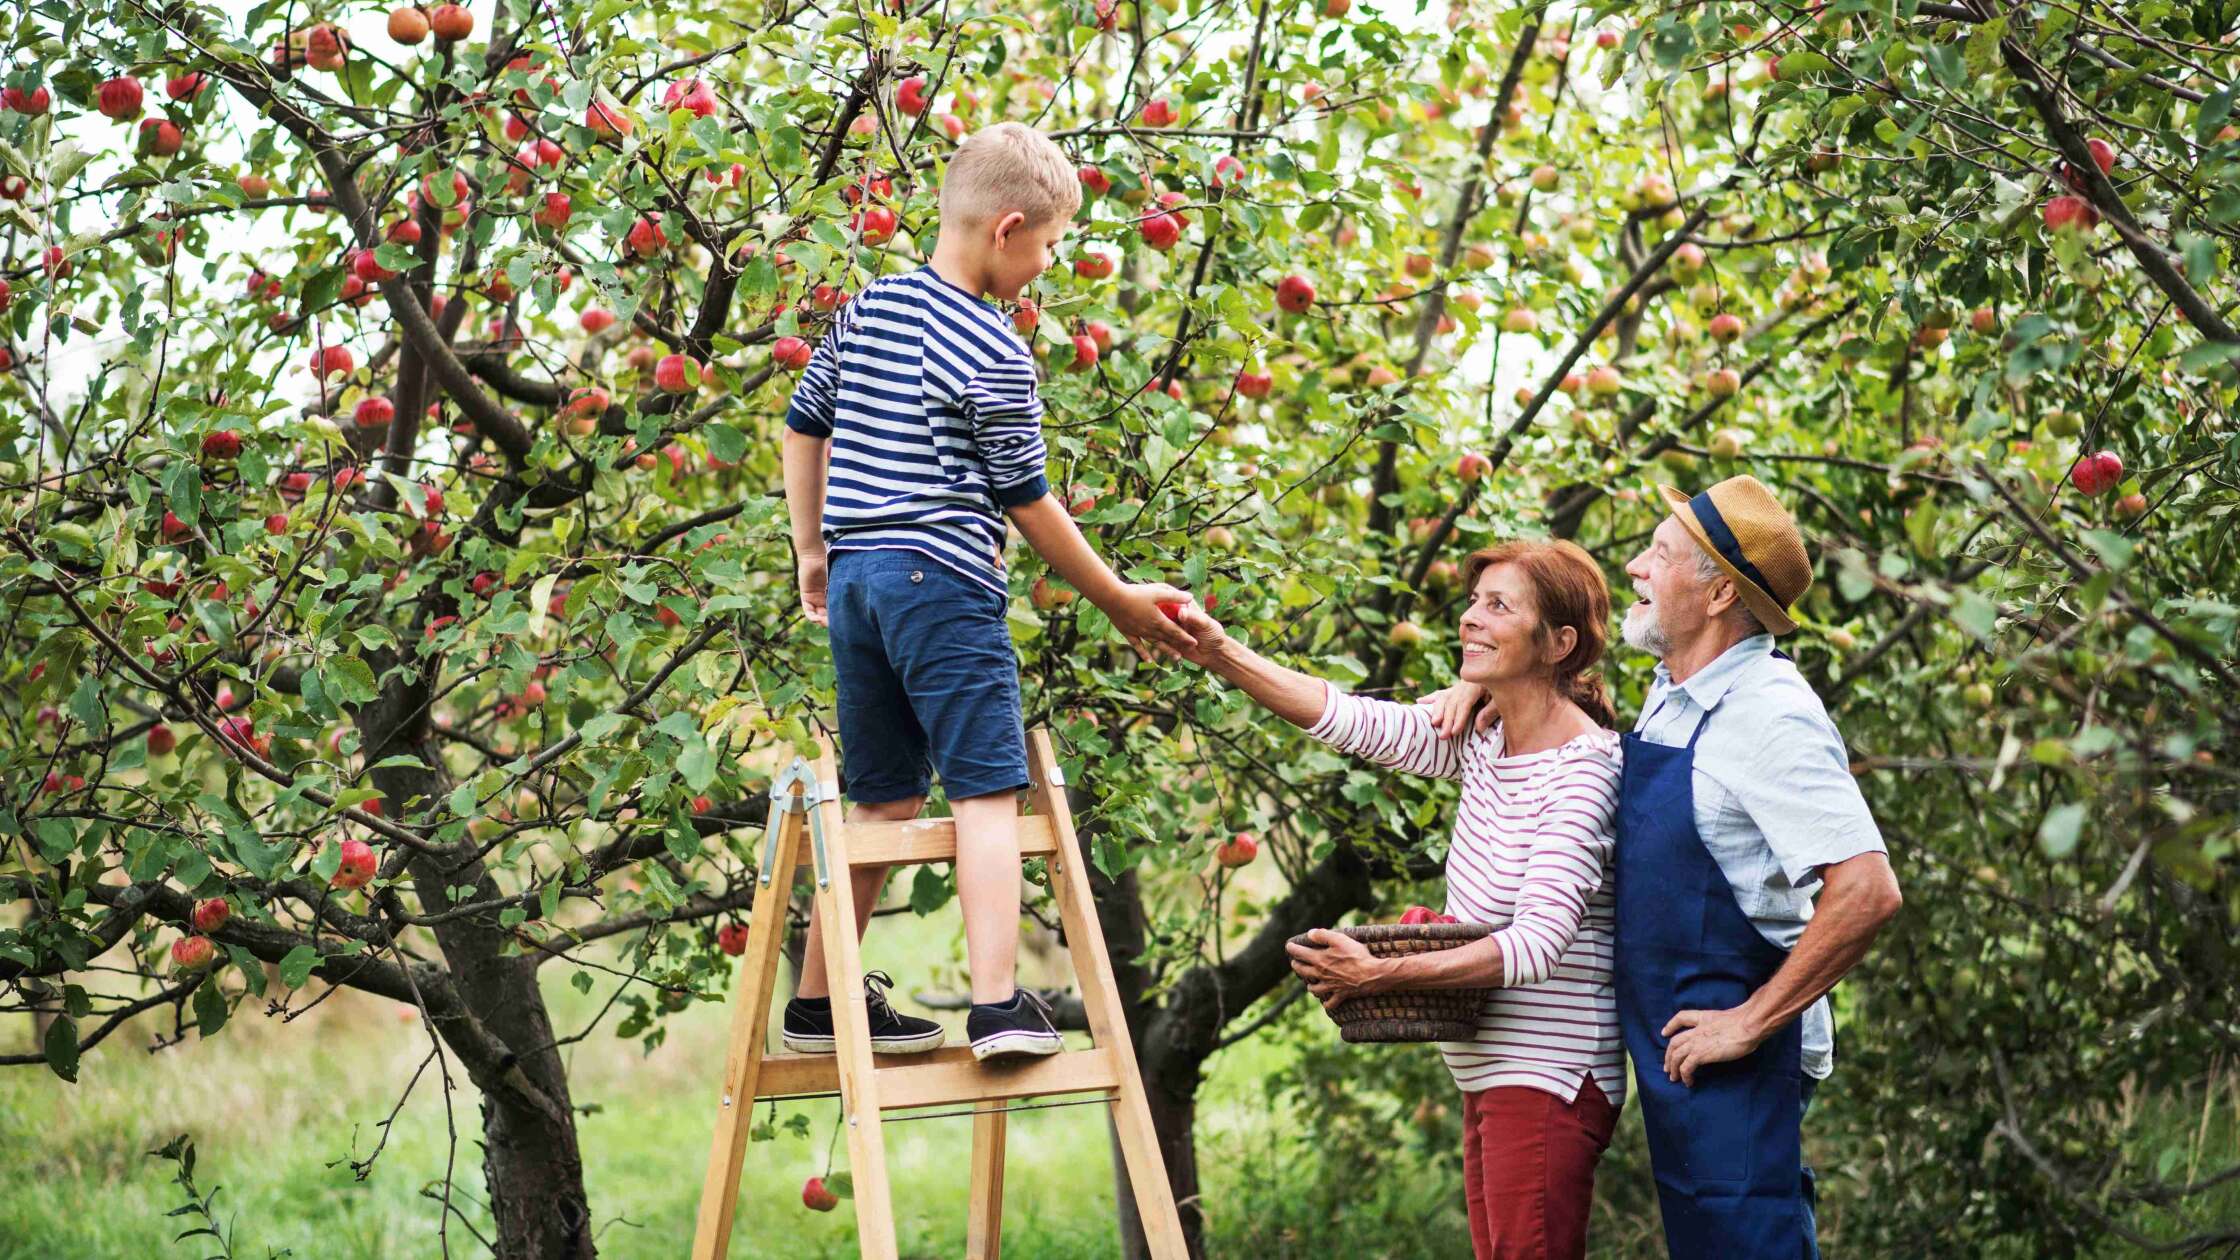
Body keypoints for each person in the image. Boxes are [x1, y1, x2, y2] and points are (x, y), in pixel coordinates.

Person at [779, 121, 1194, 1062]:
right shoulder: (993, 350)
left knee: (880, 799)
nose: (1048, 264)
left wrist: (811, 548)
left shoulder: (865, 309)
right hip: (944, 581)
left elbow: (804, 428)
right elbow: (1029, 503)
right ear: (1009, 229)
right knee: (986, 797)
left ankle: (815, 1006)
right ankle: (1000, 1007)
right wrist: (1118, 596)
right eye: (1048, 245)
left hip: (855, 584)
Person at [1439, 477, 1901, 1256]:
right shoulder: (1675, 690)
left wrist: (1750, 1022)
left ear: (1719, 592)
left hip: (1742, 1048)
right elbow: (1560, 691)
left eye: (1658, 554)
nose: (1636, 570)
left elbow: (1867, 890)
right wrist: (1479, 685)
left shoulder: (1769, 714)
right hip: (1678, 1042)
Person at [1172, 540, 1628, 1260]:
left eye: (1499, 606)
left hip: (1547, 1074)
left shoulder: (1584, 772)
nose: (1470, 619)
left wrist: (1381, 975)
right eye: (1474, 600)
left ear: (1558, 643)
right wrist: (1221, 653)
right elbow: (1347, 719)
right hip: (1490, 1069)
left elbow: (1538, 945)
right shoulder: (1486, 737)